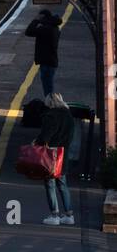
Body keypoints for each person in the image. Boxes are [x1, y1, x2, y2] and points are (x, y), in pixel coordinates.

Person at [35, 92, 75, 226]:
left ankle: (54, 215)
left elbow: (46, 136)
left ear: (50, 102)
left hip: (51, 155)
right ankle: (69, 215)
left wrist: (37, 142)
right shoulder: (68, 115)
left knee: (50, 184)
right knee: (63, 184)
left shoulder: (51, 116)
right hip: (64, 153)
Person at [25, 8, 61, 96]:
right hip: (51, 61)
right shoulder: (54, 28)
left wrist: (36, 20)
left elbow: (28, 32)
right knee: (49, 86)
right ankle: (50, 103)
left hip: (47, 62)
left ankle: (50, 104)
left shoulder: (46, 29)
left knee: (48, 88)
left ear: (43, 17)